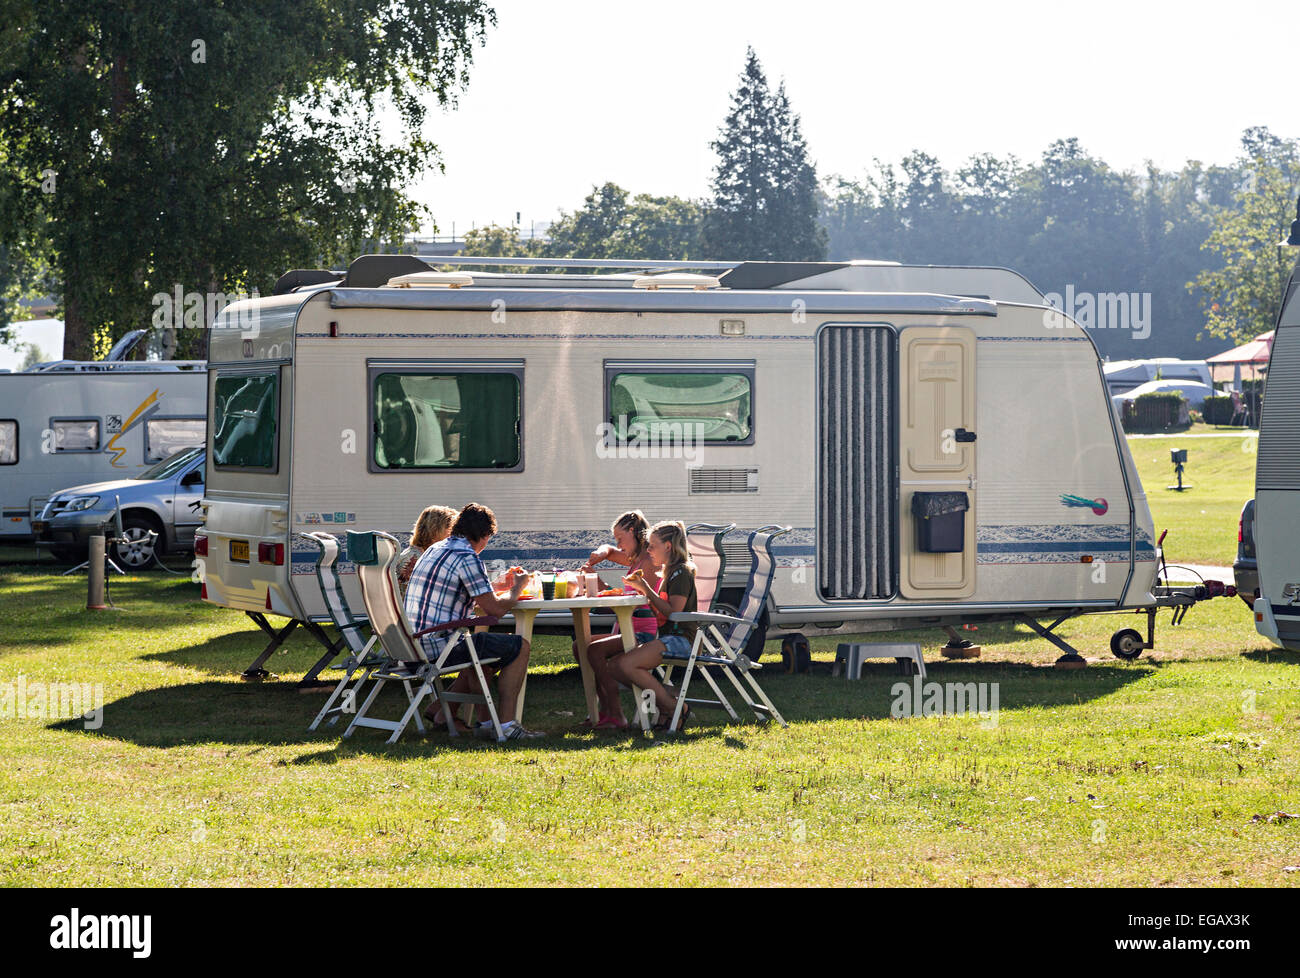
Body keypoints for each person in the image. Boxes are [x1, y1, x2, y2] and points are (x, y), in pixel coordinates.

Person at [404, 502, 541, 740]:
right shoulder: (466, 556)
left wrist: (497, 588)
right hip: (437, 646)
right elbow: (495, 611)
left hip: (410, 645)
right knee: (520, 647)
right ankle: (508, 725)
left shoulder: (435, 549)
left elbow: (468, 597)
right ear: (484, 535)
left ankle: (485, 722)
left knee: (478, 649)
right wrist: (517, 588)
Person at [610, 521, 698, 732]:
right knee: (613, 667)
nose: (648, 550)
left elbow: (673, 613)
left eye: (652, 546)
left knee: (628, 665)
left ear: (668, 546)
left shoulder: (681, 573)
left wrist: (647, 590)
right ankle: (669, 702)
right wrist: (643, 592)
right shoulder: (669, 572)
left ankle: (676, 708)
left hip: (683, 641)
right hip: (667, 638)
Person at [576, 511, 659, 729]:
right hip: (627, 627)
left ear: (633, 531)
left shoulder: (648, 562)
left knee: (593, 650)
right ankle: (603, 711)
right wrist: (599, 555)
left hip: (644, 632)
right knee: (581, 645)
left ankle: (615, 713)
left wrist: (600, 583)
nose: (619, 545)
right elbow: (610, 550)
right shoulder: (635, 559)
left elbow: (633, 602)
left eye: (621, 538)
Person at [396, 505, 457, 600]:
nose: (452, 536)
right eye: (450, 530)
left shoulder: (411, 554)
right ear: (436, 531)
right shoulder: (418, 560)